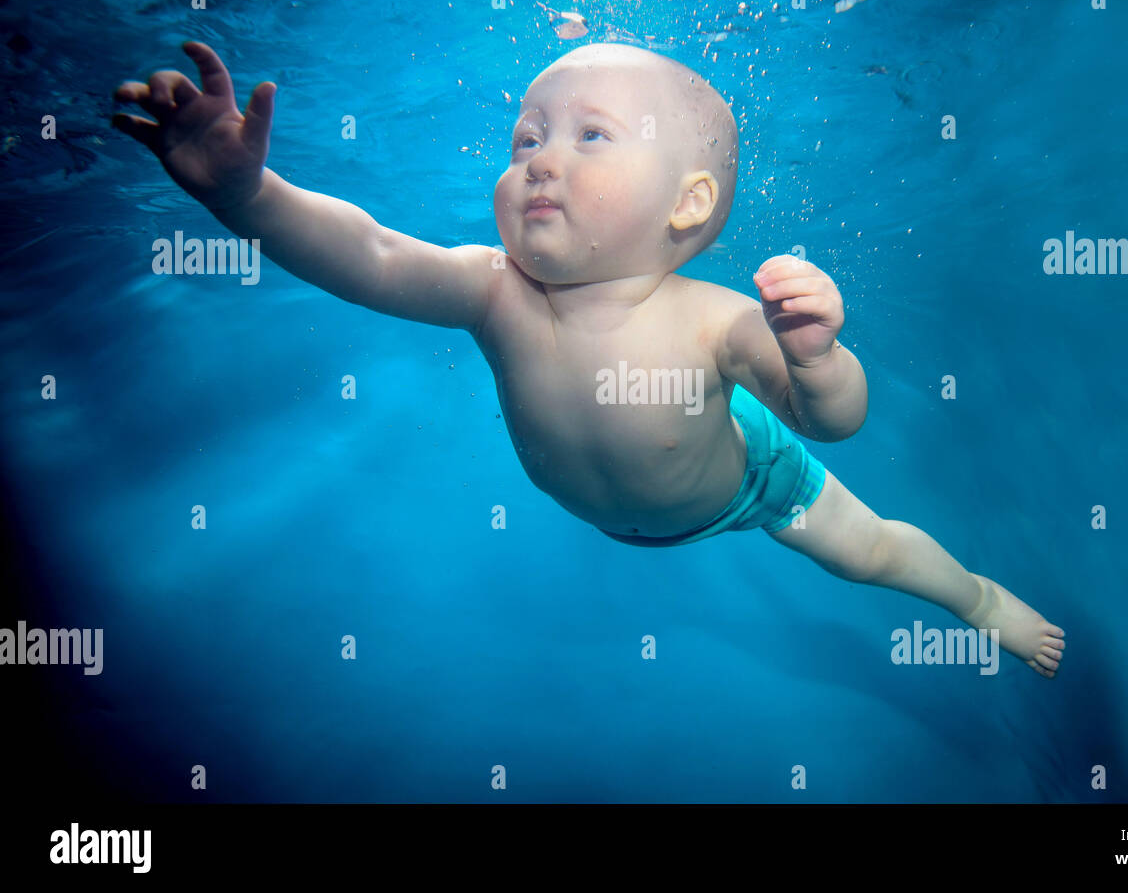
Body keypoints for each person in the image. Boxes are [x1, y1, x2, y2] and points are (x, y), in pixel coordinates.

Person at [113, 41, 1065, 677]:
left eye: (589, 136)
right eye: (525, 138)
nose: (538, 158)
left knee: (868, 553)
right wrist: (248, 199)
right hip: (630, 512)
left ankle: (980, 600)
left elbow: (834, 421)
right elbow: (368, 254)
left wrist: (816, 359)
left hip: (748, 481)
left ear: (686, 205)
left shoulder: (718, 321)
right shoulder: (493, 290)